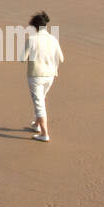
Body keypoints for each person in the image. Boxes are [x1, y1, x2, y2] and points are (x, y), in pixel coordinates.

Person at [22, 11, 64, 142]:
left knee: (39, 102)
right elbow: (61, 58)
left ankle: (44, 133)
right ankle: (36, 125)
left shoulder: (32, 40)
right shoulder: (53, 39)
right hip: (50, 75)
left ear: (34, 27)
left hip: (35, 75)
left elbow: (22, 59)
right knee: (41, 99)